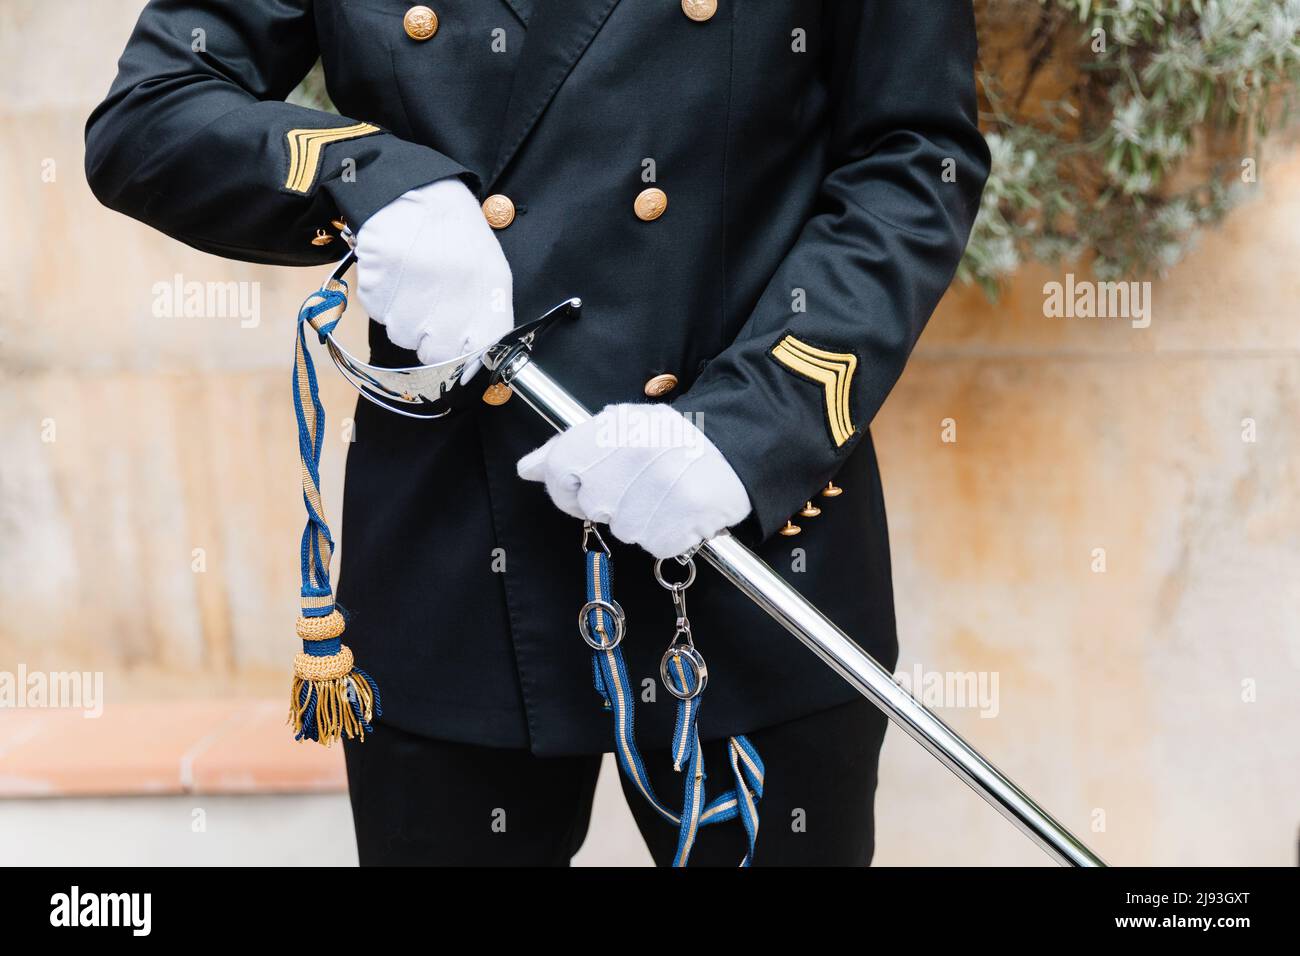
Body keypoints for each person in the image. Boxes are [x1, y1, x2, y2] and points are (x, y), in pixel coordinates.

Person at [87, 0, 991, 866]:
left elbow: (912, 153)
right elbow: (152, 109)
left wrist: (755, 424)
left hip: (747, 543)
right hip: (455, 549)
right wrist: (371, 181)